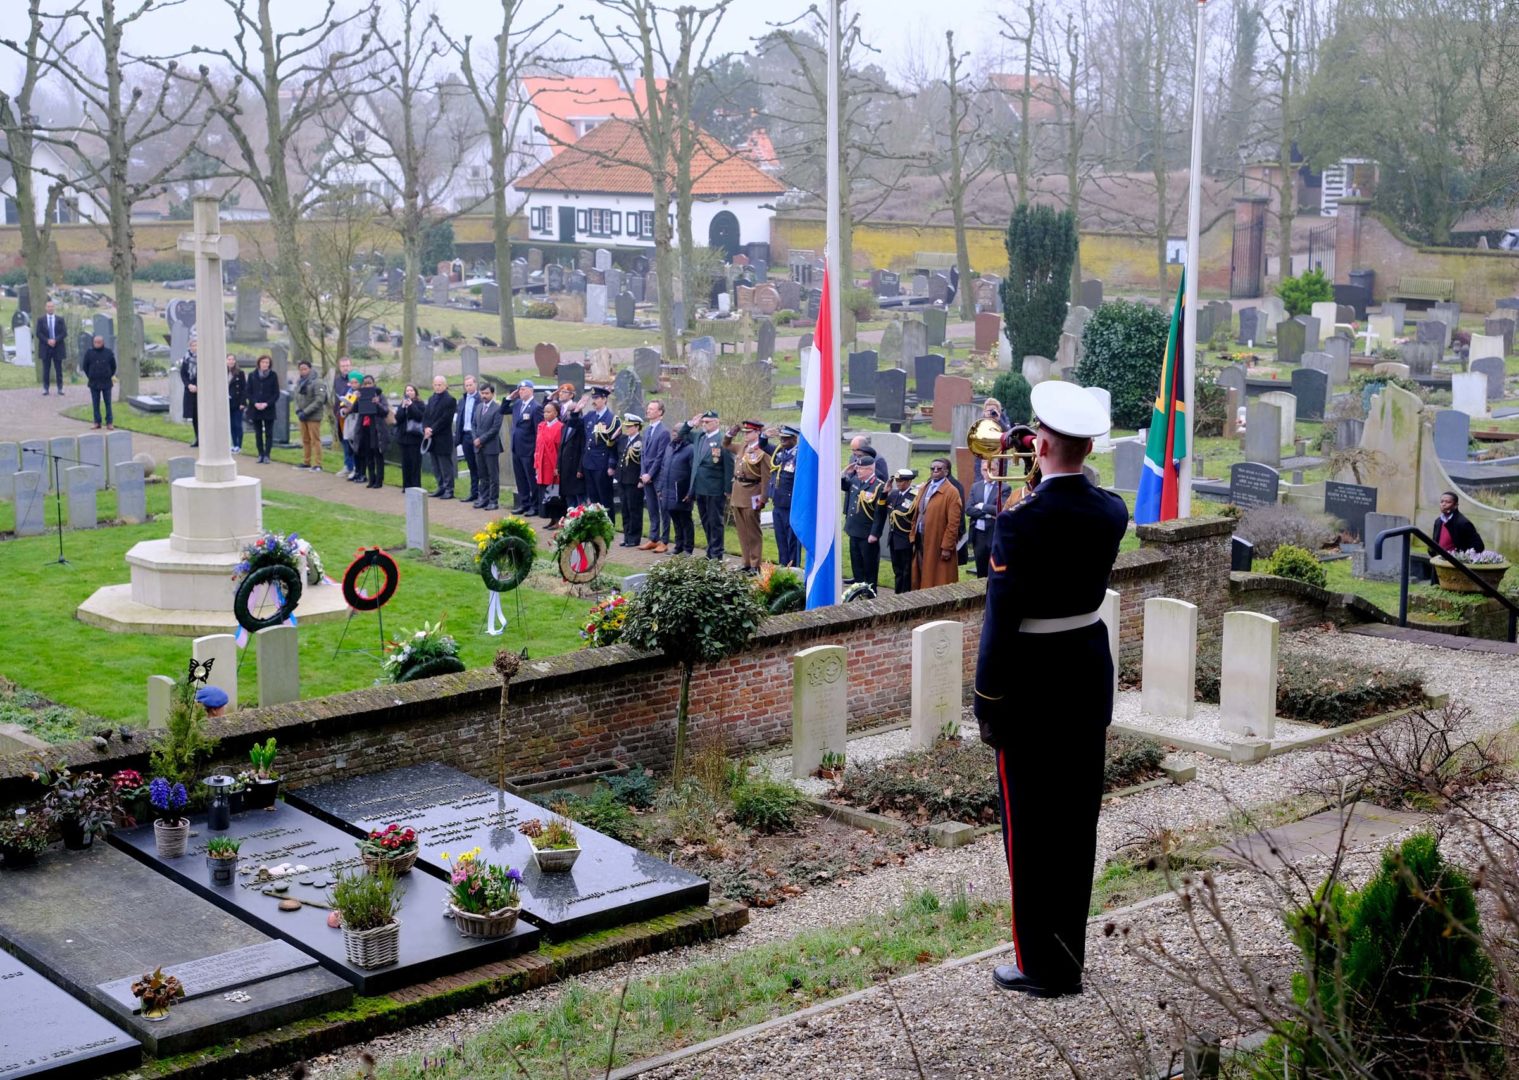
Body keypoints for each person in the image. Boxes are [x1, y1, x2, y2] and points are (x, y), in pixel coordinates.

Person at [975, 380, 1128, 999]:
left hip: (1033, 684)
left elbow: (999, 622)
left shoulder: (1020, 524)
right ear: (1090, 447)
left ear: (1038, 443)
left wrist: (987, 700)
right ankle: (1070, 954)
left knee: (1032, 830)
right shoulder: (1112, 510)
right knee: (1075, 823)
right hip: (1086, 670)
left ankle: (1043, 967)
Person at [910, 457, 963, 590]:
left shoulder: (952, 492)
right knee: (920, 571)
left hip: (937, 541)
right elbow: (917, 512)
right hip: (921, 539)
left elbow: (953, 523)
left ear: (946, 472)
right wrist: (912, 533)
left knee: (936, 576)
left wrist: (947, 547)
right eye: (932, 468)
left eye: (939, 469)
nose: (935, 471)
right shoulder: (926, 487)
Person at [686, 411, 732, 560]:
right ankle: (710, 549)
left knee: (715, 522)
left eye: (707, 422)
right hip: (700, 487)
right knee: (705, 520)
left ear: (716, 422)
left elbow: (728, 466)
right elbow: (682, 435)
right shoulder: (700, 437)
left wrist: (727, 489)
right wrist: (691, 424)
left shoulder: (723, 440)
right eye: (703, 422)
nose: (704, 424)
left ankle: (717, 553)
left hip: (714, 488)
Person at [842, 448, 888, 586]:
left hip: (867, 533)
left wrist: (875, 533)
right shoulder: (855, 480)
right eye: (857, 468)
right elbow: (843, 485)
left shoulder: (879, 486)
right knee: (856, 562)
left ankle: (870, 590)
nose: (858, 471)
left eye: (860, 469)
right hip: (853, 529)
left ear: (869, 470)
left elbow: (880, 514)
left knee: (869, 565)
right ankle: (858, 586)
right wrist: (844, 473)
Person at [730, 420, 771, 573]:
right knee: (742, 531)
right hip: (738, 492)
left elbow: (766, 479)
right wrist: (730, 433)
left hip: (752, 493)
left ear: (757, 433)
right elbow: (726, 444)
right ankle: (746, 562)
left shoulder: (762, 453)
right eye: (745, 432)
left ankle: (755, 564)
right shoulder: (742, 447)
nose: (746, 435)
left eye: (749, 432)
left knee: (752, 531)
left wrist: (763, 498)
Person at [581, 386, 618, 520]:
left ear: (604, 399)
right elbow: (576, 426)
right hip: (589, 463)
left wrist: (612, 465)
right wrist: (576, 410)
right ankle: (597, 525)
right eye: (593, 398)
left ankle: (609, 525)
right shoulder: (590, 416)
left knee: (605, 498)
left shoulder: (612, 419)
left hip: (602, 464)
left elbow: (614, 445)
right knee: (593, 498)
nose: (594, 401)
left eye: (597, 398)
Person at [639, 400, 671, 551]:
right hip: (646, 476)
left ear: (660, 413)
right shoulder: (647, 430)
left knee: (662, 509)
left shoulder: (664, 432)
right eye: (648, 408)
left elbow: (660, 456)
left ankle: (664, 541)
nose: (648, 411)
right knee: (651, 508)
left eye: (652, 409)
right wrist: (643, 474)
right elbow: (643, 454)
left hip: (658, 477)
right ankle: (653, 538)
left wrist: (650, 474)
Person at [509, 380, 543, 514]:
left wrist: (536, 450)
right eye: (519, 390)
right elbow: (503, 410)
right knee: (520, 478)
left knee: (531, 479)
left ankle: (535, 506)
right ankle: (524, 503)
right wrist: (508, 398)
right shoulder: (517, 404)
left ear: (531, 390)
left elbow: (538, 432)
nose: (521, 392)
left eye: (523, 389)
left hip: (528, 449)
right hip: (516, 448)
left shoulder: (536, 407)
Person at [352, 373, 391, 489]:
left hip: (377, 429)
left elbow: (385, 411)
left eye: (369, 383)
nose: (367, 386)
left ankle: (379, 480)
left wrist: (377, 403)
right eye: (365, 384)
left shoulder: (380, 396)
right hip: (365, 429)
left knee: (378, 455)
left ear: (374, 384)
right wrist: (357, 399)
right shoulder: (361, 395)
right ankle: (371, 479)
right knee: (368, 455)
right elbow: (354, 410)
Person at [967, 473, 1009, 577]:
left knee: (994, 569)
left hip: (993, 533)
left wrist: (982, 506)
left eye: (992, 469)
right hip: (978, 534)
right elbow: (968, 509)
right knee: (980, 569)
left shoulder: (1004, 487)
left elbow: (999, 509)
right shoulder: (976, 486)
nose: (988, 472)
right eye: (985, 469)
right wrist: (987, 515)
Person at [769, 425, 800, 566]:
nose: (783, 441)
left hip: (790, 504)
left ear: (794, 439)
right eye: (781, 438)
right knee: (780, 539)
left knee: (791, 540)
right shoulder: (780, 453)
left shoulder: (799, 455)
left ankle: (793, 568)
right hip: (778, 502)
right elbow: (763, 446)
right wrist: (765, 436)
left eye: (786, 439)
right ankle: (783, 566)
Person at [884, 468, 918, 593]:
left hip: (905, 539)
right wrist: (884, 492)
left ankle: (904, 594)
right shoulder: (893, 494)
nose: (898, 483)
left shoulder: (914, 496)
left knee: (906, 570)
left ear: (909, 482)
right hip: (893, 538)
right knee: (897, 569)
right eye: (897, 481)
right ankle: (897, 593)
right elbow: (882, 507)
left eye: (901, 481)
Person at [423, 374, 456, 498]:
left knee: (445, 465)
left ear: (445, 385)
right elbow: (426, 415)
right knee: (435, 465)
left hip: (442, 437)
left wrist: (432, 429)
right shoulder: (431, 399)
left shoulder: (450, 400)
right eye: (435, 385)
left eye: (440, 385)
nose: (437, 387)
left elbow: (445, 419)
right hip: (432, 438)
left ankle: (449, 489)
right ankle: (440, 486)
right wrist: (425, 427)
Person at [472, 382, 504, 510]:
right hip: (478, 447)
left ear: (492, 394)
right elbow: (473, 424)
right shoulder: (479, 407)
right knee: (482, 474)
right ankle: (483, 498)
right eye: (482, 393)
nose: (484, 396)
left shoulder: (497, 408)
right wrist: (475, 438)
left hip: (490, 447)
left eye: (487, 393)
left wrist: (481, 439)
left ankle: (493, 500)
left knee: (493, 475)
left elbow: (495, 428)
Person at [293, 359, 328, 471]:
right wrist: (298, 410)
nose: (303, 371)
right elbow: (296, 397)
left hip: (313, 416)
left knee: (315, 440)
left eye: (305, 369)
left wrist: (306, 412)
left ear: (310, 369)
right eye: (301, 369)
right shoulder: (299, 382)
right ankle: (306, 462)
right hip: (302, 415)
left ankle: (318, 464)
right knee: (305, 439)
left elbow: (319, 399)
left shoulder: (317, 382)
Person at [615, 414, 645, 547]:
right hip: (622, 478)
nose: (627, 428)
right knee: (625, 509)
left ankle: (634, 537)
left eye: (630, 426)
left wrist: (640, 479)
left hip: (633, 480)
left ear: (637, 427)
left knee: (634, 509)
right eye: (626, 426)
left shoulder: (641, 441)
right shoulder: (623, 439)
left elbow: (642, 462)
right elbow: (613, 447)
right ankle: (627, 536)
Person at [665, 427, 695, 555]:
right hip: (669, 490)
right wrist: (661, 488)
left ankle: (688, 548)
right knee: (675, 519)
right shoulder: (670, 447)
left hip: (682, 490)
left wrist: (690, 492)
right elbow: (664, 468)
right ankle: (678, 545)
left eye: (676, 432)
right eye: (673, 432)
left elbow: (694, 472)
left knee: (685, 519)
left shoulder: (690, 449)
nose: (674, 434)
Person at [245, 354, 279, 463]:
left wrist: (266, 404)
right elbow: (248, 392)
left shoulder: (273, 375)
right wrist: (255, 403)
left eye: (267, 363)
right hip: (255, 409)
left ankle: (267, 455)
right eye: (263, 362)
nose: (265, 364)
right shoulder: (252, 375)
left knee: (269, 433)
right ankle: (260, 454)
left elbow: (276, 393)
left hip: (268, 408)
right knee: (258, 433)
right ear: (259, 363)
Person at [558, 391, 588, 509]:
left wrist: (580, 468)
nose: (569, 414)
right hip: (566, 467)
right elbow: (562, 447)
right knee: (569, 498)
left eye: (572, 412)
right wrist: (558, 466)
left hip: (576, 467)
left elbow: (583, 448)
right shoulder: (565, 426)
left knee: (579, 499)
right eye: (569, 412)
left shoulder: (581, 426)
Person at [455, 375, 482, 504]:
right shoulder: (462, 400)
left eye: (470, 385)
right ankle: (474, 492)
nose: (468, 387)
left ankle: (483, 493)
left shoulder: (480, 399)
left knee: (480, 465)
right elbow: (460, 418)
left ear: (475, 384)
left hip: (476, 435)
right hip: (465, 435)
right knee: (471, 465)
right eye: (466, 385)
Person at [80, 334, 116, 429]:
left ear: (103, 342)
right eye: (95, 342)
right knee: (95, 403)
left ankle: (109, 422)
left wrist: (108, 374)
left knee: (108, 403)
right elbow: (85, 366)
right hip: (94, 382)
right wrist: (91, 375)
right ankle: (97, 422)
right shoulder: (89, 353)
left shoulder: (108, 352)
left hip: (106, 382)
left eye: (99, 342)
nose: (97, 344)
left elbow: (113, 366)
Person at [395, 383, 426, 490]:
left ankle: (415, 485)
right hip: (403, 438)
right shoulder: (402, 404)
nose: (409, 393)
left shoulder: (420, 404)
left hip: (415, 438)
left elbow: (419, 417)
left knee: (415, 463)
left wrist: (411, 405)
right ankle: (406, 485)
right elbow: (398, 419)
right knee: (405, 463)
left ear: (415, 392)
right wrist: (403, 407)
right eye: (407, 391)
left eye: (411, 390)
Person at [534, 399, 564, 505]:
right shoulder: (541, 426)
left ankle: (556, 518)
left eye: (548, 412)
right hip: (541, 463)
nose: (545, 414)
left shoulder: (560, 427)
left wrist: (558, 466)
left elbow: (560, 448)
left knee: (553, 492)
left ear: (556, 413)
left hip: (553, 464)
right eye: (544, 412)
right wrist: (536, 465)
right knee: (543, 491)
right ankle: (549, 517)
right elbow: (538, 447)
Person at [330, 356, 356, 478]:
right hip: (340, 415)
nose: (345, 368)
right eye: (343, 366)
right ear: (340, 368)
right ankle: (348, 466)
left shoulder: (355, 379)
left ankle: (356, 467)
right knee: (344, 440)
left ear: (350, 366)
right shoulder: (337, 380)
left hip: (353, 415)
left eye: (347, 365)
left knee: (353, 441)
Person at [38, 300, 65, 396]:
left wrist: (55, 340)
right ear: (46, 308)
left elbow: (64, 333)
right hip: (45, 347)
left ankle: (60, 388)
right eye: (48, 306)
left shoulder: (60, 319)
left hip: (58, 347)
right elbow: (39, 333)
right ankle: (45, 388)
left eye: (52, 306)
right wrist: (47, 340)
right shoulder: (41, 320)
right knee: (46, 369)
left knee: (59, 369)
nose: (50, 308)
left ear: (54, 308)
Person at [179, 335, 201, 445]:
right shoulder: (186, 358)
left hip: (201, 392)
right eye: (193, 345)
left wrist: (198, 386)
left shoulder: (203, 358)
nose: (195, 347)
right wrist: (189, 385)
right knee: (194, 416)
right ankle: (197, 438)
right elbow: (183, 374)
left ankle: (204, 439)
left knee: (202, 416)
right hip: (190, 391)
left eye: (196, 345)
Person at [226, 355, 248, 454]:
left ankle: (239, 445)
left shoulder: (240, 373)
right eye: (229, 359)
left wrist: (243, 402)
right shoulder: (223, 372)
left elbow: (244, 389)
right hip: (227, 402)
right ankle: (234, 444)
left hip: (237, 402)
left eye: (232, 359)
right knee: (230, 425)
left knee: (237, 424)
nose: (231, 361)